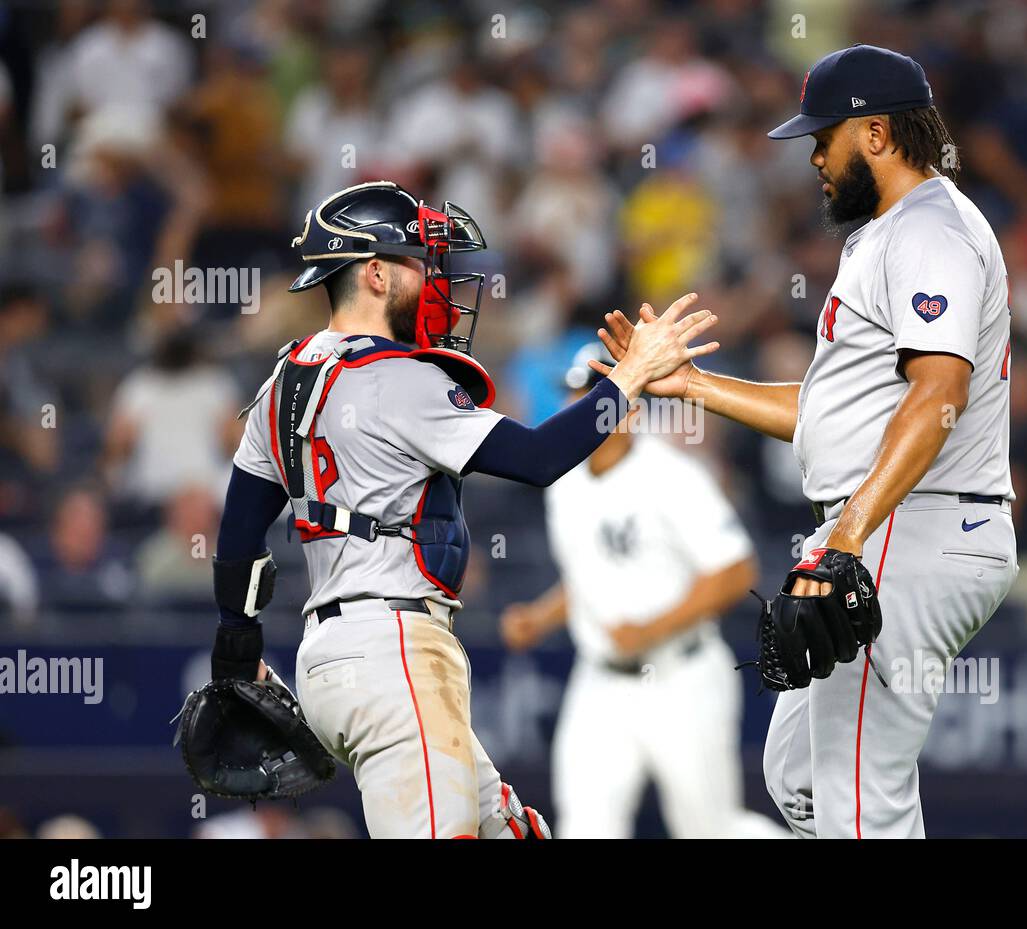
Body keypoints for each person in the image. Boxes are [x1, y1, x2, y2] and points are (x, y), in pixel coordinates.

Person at [207, 180, 717, 838]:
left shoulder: (283, 382)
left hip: (330, 660)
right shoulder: (399, 378)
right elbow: (537, 458)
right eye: (421, 262)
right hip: (394, 654)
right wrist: (630, 377)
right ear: (374, 273)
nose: (439, 280)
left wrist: (235, 653)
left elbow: (240, 534)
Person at [595, 46, 1018, 838]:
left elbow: (938, 396)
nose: (816, 156)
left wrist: (847, 538)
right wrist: (690, 387)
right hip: (892, 518)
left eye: (826, 136)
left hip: (912, 521)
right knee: (802, 782)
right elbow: (833, 412)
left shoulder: (930, 229)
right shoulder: (888, 234)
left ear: (879, 133)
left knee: (862, 799)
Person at [500, 344, 786, 839]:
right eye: (576, 396)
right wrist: (540, 617)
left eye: (596, 396)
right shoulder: (562, 479)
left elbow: (736, 571)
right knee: (586, 827)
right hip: (600, 682)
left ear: (630, 408)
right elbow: (589, 574)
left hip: (682, 675)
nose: (582, 408)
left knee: (709, 829)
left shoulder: (671, 475)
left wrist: (650, 629)